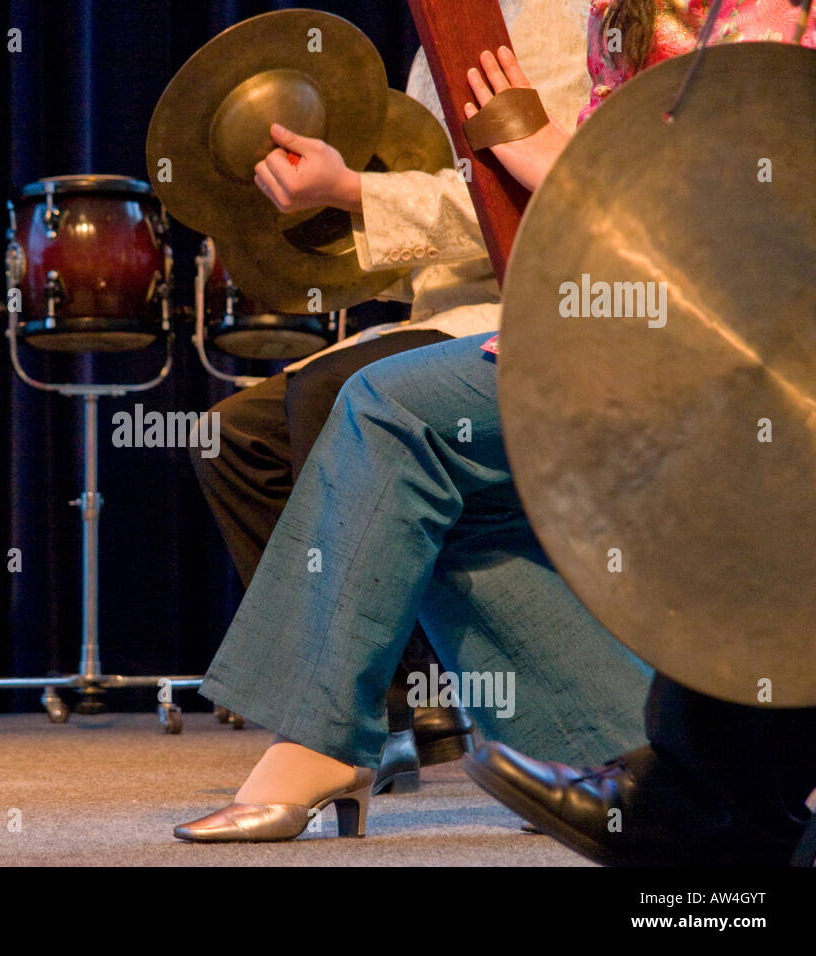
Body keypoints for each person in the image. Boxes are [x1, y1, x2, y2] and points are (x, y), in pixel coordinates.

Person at [172, 0, 816, 843]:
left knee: (387, 407)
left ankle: (322, 741)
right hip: (641, 318)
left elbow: (741, 197)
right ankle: (627, 758)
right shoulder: (621, 13)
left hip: (766, 336)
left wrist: (550, 169)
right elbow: (601, 217)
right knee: (443, 482)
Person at [190, 0, 594, 793]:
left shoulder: (570, 18)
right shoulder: (441, 34)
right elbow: (434, 214)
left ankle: (339, 718)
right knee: (231, 438)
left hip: (527, 310)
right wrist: (319, 207)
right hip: (438, 315)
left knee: (338, 394)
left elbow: (523, 205)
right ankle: (399, 707)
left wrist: (355, 194)